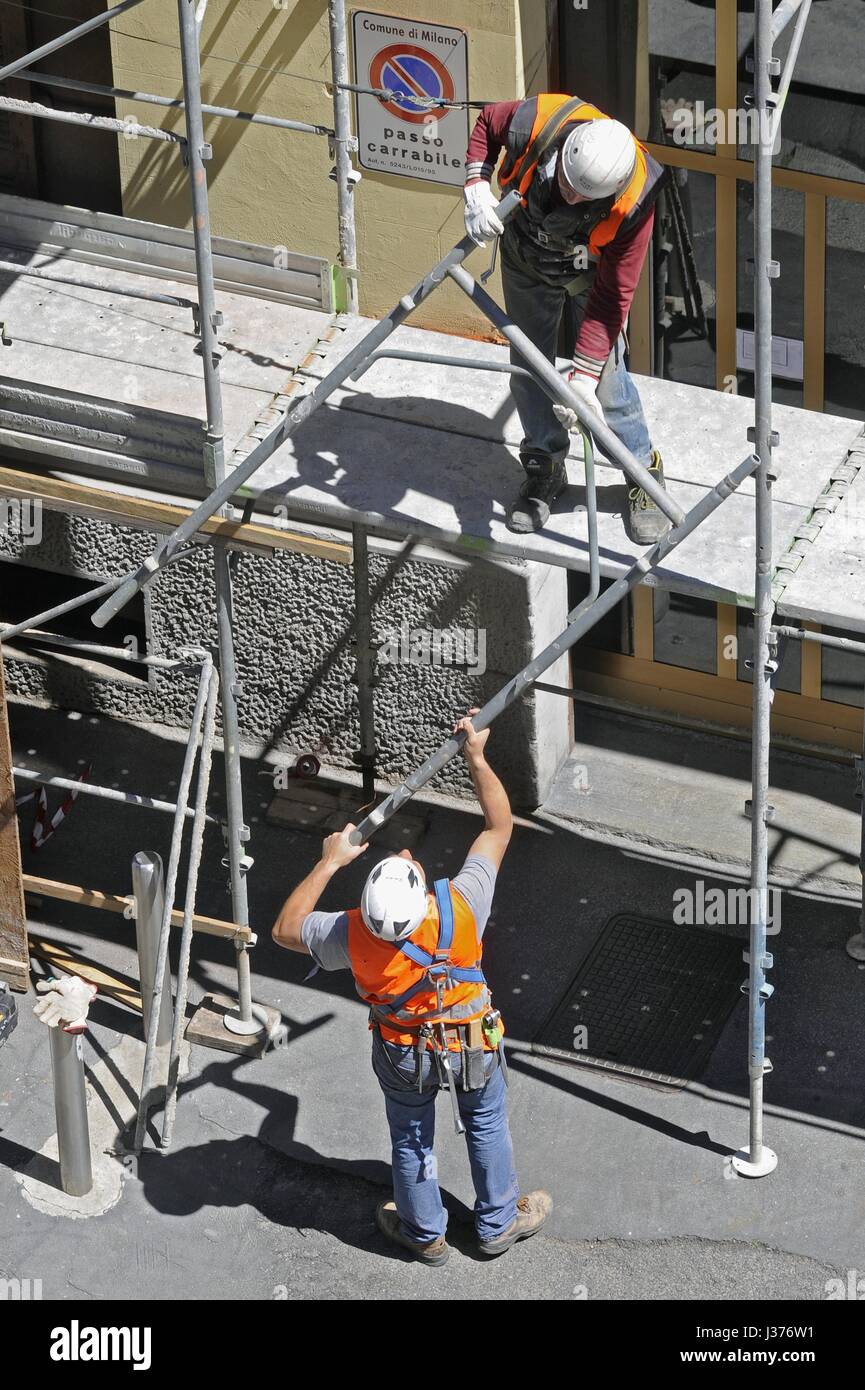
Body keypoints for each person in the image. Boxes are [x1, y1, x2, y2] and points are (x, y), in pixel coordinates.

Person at [272, 711, 551, 1265]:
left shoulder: (351, 932)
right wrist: (475, 756)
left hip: (404, 1049)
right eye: (408, 865)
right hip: (472, 1040)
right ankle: (497, 1223)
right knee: (487, 1123)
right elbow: (498, 826)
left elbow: (284, 930)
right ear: (424, 895)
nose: (403, 853)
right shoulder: (461, 905)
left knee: (411, 1137)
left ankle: (425, 1234)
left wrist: (329, 864)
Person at [463, 93, 669, 541]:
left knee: (607, 384)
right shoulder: (540, 120)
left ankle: (642, 474)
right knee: (529, 368)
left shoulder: (636, 199)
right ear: (565, 151)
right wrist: (476, 185)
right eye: (567, 184)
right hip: (524, 256)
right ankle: (545, 468)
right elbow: (486, 124)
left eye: (582, 196)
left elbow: (614, 294)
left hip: (587, 274)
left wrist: (584, 376)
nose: (570, 195)